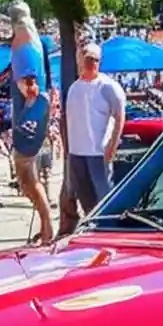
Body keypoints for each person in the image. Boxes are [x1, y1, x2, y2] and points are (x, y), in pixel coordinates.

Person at [7, 1, 54, 244]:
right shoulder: (35, 43)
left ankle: (47, 225)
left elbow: (31, 86)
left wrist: (24, 92)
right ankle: (45, 224)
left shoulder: (24, 45)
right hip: (35, 116)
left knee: (26, 176)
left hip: (28, 118)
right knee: (29, 175)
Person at [65, 42, 126, 215]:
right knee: (86, 200)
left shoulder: (109, 87)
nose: (90, 63)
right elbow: (67, 119)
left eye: (94, 59)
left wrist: (111, 147)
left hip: (98, 153)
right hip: (77, 153)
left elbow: (120, 117)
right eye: (87, 59)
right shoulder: (74, 88)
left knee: (104, 199)